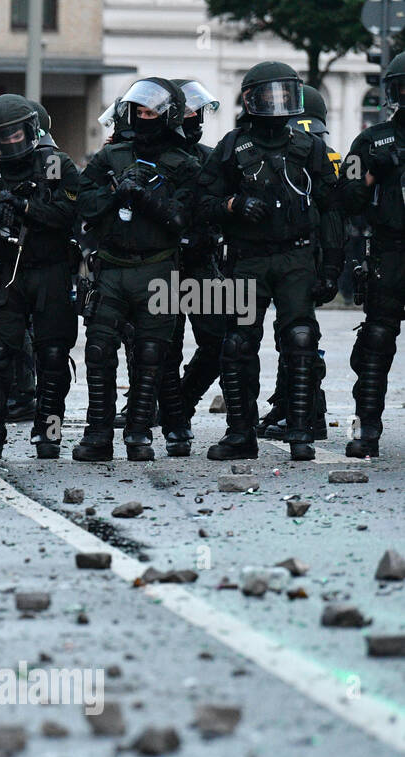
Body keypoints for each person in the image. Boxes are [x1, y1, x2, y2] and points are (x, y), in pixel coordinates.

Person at [198, 62, 342, 462]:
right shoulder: (231, 147)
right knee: (239, 343)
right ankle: (241, 433)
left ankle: (300, 431)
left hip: (296, 256)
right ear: (250, 100)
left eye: (285, 95)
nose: (277, 105)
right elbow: (201, 204)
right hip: (247, 259)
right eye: (268, 96)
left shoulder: (308, 148)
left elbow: (331, 211)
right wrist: (234, 204)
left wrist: (332, 267)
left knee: (300, 340)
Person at [74, 78, 200, 461]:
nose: (143, 119)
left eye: (151, 112)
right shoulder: (111, 156)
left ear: (168, 116)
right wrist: (116, 193)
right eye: (139, 111)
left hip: (157, 268)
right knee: (97, 350)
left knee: (151, 356)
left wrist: (146, 197)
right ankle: (97, 434)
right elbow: (83, 202)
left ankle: (139, 433)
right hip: (111, 267)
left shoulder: (183, 163)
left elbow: (183, 218)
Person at [0, 94, 82, 460]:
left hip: (51, 271)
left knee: (54, 355)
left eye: (14, 134)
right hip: (7, 274)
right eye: (0, 137)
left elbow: (69, 212)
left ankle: (49, 433)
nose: (9, 142)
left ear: (30, 130)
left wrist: (27, 206)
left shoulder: (53, 163)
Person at [342, 55, 405, 457]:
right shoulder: (372, 140)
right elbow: (343, 197)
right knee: (378, 338)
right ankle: (368, 427)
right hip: (391, 248)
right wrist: (370, 175)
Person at [167, 78, 224, 440]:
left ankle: (183, 402)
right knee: (163, 350)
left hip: (202, 262)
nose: (196, 118)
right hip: (163, 263)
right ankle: (173, 420)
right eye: (188, 111)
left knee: (220, 343)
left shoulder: (210, 157)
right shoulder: (149, 155)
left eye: (198, 111)